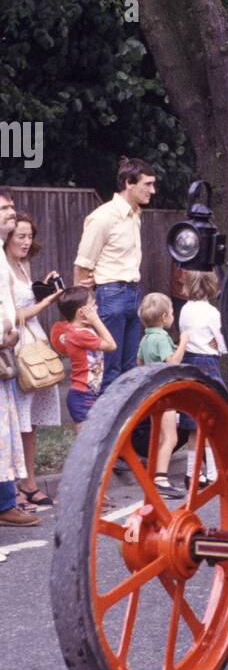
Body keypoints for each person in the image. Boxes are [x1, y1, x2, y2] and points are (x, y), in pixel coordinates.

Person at [73, 157, 157, 392]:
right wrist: (84, 307)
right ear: (129, 183)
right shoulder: (103, 217)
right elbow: (83, 263)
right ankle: (107, 427)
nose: (153, 190)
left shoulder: (135, 215)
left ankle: (127, 427)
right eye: (147, 184)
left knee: (129, 369)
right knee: (109, 370)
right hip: (110, 294)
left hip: (132, 293)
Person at [4, 213, 62, 509]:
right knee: (17, 420)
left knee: (32, 421)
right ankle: (14, 486)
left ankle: (29, 482)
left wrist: (43, 288)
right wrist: (45, 303)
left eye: (29, 237)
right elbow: (12, 315)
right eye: (20, 236)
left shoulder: (23, 266)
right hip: (17, 344)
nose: (26, 242)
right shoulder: (4, 269)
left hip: (34, 340)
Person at [0, 191, 38, 527]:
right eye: (4, 208)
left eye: (11, 206)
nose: (11, 212)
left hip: (6, 348)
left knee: (6, 429)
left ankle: (5, 502)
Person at [136, 292, 189, 500]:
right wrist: (183, 342)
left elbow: (139, 364)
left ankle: (156, 473)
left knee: (159, 436)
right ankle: (161, 478)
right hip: (165, 393)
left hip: (151, 392)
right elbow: (173, 362)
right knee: (171, 437)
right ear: (165, 317)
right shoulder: (161, 338)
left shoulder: (146, 338)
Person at [179, 271, 226, 488]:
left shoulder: (185, 310)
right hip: (208, 363)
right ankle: (214, 473)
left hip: (189, 362)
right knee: (211, 419)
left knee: (193, 425)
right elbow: (221, 341)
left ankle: (193, 474)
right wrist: (221, 346)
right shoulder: (212, 312)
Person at [50, 287, 117, 429]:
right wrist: (96, 321)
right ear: (81, 313)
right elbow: (111, 345)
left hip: (86, 393)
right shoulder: (80, 335)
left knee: (91, 442)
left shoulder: (75, 330)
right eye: (93, 306)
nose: (97, 308)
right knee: (87, 445)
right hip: (83, 396)